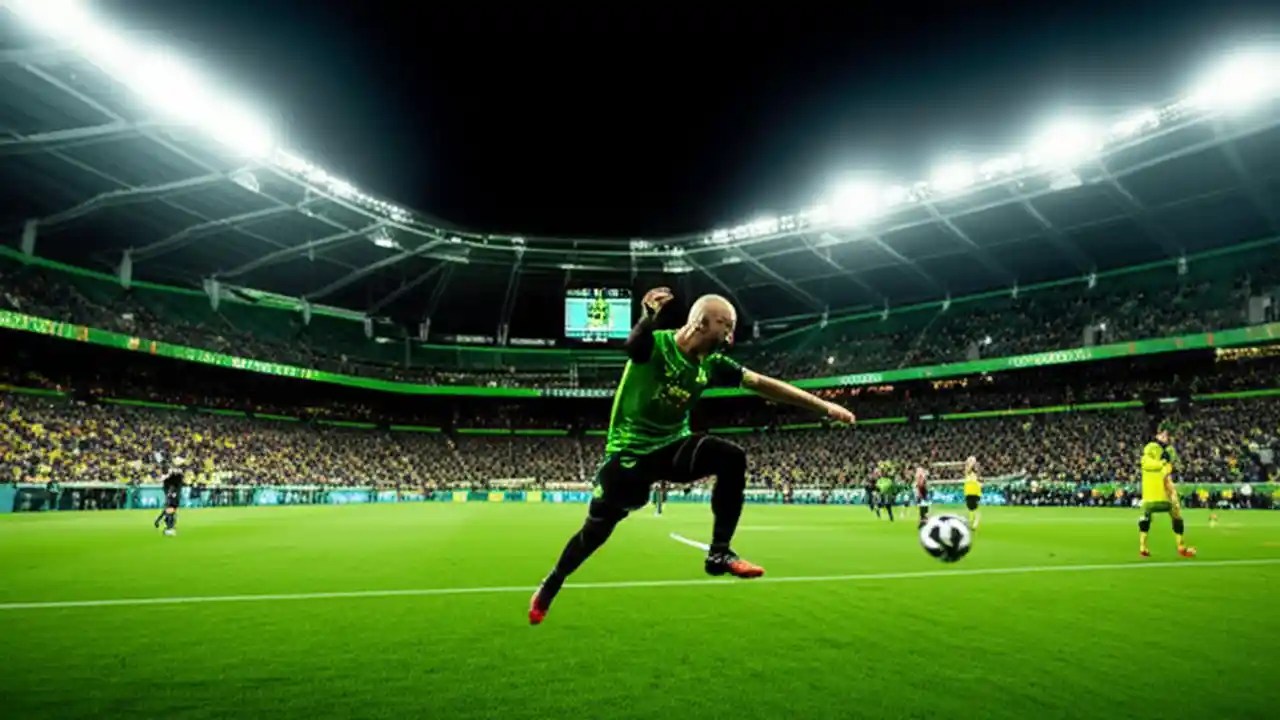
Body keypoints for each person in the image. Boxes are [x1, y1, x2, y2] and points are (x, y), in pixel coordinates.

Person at [529, 289, 856, 625]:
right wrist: (646, 316)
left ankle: (719, 553)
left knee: (731, 457)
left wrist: (824, 407)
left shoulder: (712, 364)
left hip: (672, 448)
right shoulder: (656, 345)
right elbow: (634, 346)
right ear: (700, 322)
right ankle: (552, 583)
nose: (730, 337)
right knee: (594, 534)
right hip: (627, 459)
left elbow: (764, 384)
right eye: (725, 326)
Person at [1139, 428, 1196, 558]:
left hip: (1149, 496)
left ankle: (1143, 546)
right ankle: (1180, 546)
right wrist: (1172, 492)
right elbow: (1166, 476)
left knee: (1146, 517)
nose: (1166, 437)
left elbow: (1151, 465)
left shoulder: (1152, 459)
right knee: (1175, 516)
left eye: (1167, 435)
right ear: (1157, 435)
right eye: (1163, 435)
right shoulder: (1160, 458)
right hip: (1162, 495)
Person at [153, 455, 184, 537]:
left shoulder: (175, 472)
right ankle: (169, 528)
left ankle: (169, 527)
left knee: (170, 509)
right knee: (170, 509)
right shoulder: (172, 473)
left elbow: (164, 478)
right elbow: (162, 478)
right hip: (172, 492)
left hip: (173, 492)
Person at [963, 456, 982, 530]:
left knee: (974, 507)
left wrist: (971, 461)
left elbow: (972, 469)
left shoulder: (975, 472)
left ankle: (976, 522)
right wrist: (969, 462)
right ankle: (971, 521)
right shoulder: (968, 473)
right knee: (969, 507)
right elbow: (967, 469)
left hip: (975, 492)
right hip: (968, 491)